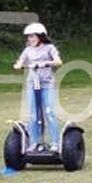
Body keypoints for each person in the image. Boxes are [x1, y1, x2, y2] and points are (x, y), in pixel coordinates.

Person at [13, 22, 63, 151]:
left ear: (40, 36)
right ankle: (34, 143)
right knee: (33, 115)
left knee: (49, 112)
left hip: (46, 84)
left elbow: (58, 61)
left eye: (32, 36)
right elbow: (21, 60)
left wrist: (45, 63)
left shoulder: (49, 48)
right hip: (32, 84)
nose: (30, 39)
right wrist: (18, 65)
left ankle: (55, 143)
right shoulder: (28, 49)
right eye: (28, 37)